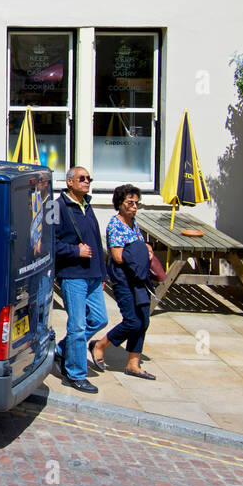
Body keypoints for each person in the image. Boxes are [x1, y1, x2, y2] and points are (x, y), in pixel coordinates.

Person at [90, 184, 157, 380]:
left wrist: (145, 248)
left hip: (139, 278)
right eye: (130, 203)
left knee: (144, 320)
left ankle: (133, 364)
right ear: (119, 204)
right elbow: (118, 256)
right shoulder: (115, 224)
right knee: (132, 321)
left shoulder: (133, 223)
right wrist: (142, 250)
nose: (134, 206)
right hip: (123, 280)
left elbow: (137, 249)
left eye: (136, 203)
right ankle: (99, 345)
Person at [52, 166, 109, 393]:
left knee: (99, 318)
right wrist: (75, 252)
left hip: (93, 275)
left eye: (89, 179)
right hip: (73, 275)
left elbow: (96, 240)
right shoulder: (56, 207)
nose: (87, 182)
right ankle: (75, 374)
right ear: (69, 182)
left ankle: (61, 349)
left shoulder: (87, 204)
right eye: (82, 178)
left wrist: (103, 273)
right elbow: (50, 243)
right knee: (77, 325)